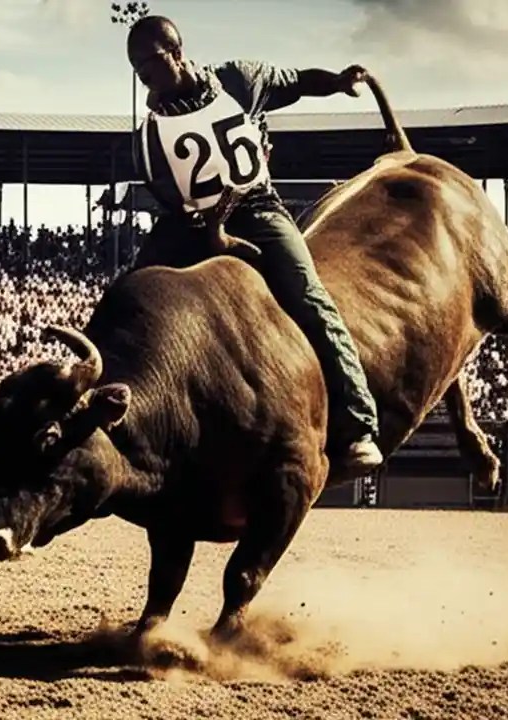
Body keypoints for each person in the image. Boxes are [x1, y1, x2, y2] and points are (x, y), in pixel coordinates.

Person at [126, 14, 384, 478]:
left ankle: (358, 424)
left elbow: (298, 82)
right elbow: (174, 202)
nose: (142, 76)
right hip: (193, 225)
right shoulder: (147, 137)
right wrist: (212, 233)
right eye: (135, 69)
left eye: (148, 63)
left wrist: (339, 82)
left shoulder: (237, 81)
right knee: (132, 294)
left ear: (176, 52)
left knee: (309, 298)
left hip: (259, 210)